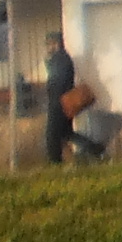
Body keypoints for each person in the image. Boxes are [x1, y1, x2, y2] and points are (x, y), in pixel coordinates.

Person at [41, 31, 79, 166]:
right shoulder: (61, 58)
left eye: (48, 44)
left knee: (52, 135)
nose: (47, 47)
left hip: (59, 103)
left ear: (56, 43)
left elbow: (57, 81)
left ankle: (55, 162)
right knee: (66, 133)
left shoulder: (60, 59)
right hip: (61, 101)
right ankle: (97, 150)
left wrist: (48, 63)